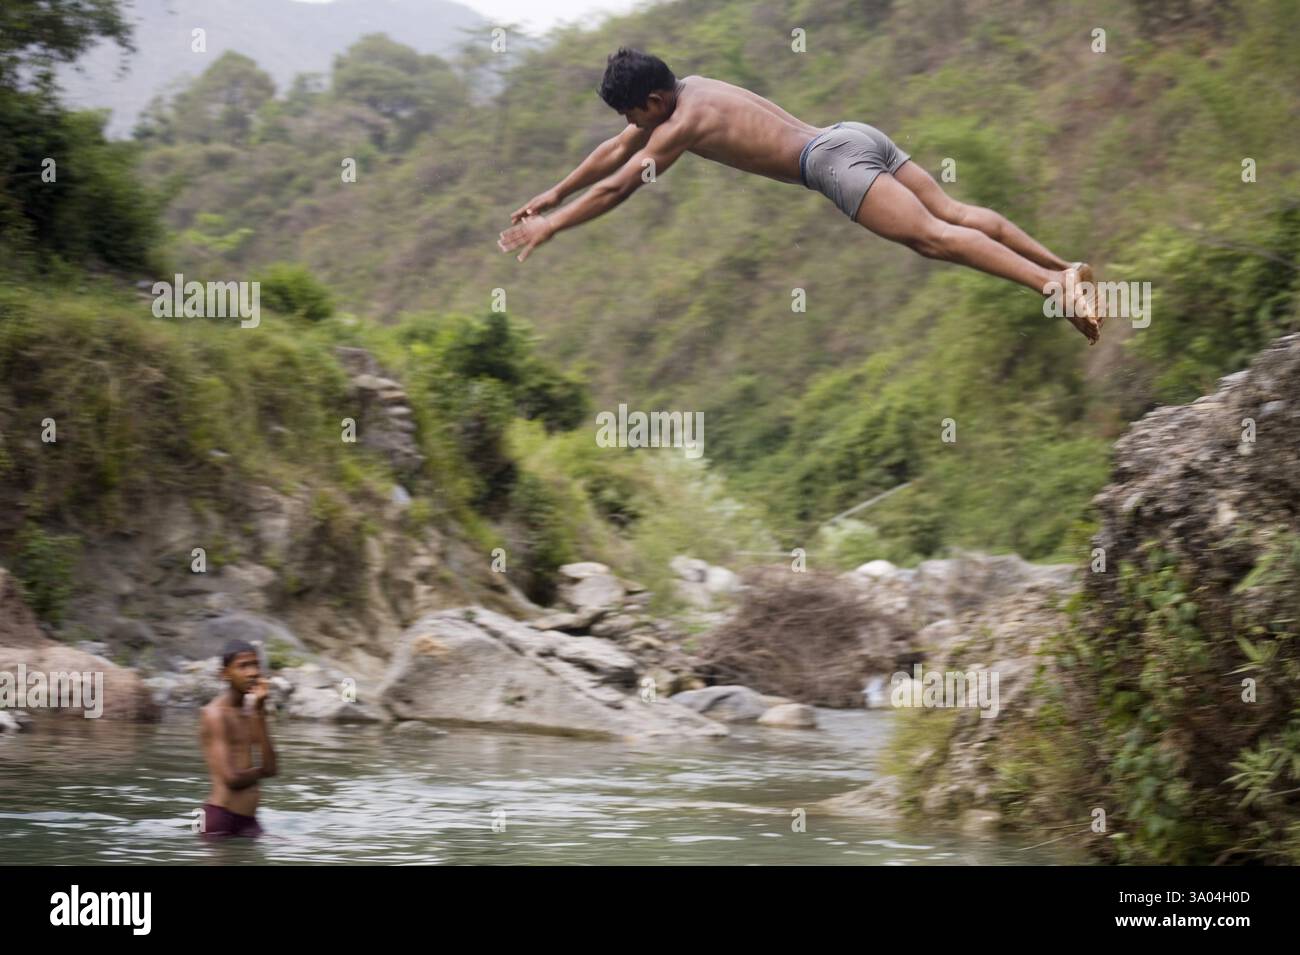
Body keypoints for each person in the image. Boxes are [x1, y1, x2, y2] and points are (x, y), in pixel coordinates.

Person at [499, 47, 1101, 343]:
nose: (636, 126)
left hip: (829, 163)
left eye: (636, 114)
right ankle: (1064, 267)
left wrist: (554, 226)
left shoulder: (682, 125)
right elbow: (613, 151)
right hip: (852, 134)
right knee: (955, 212)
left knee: (935, 238)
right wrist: (552, 194)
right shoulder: (694, 88)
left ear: (653, 103)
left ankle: (1054, 288)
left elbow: (619, 184)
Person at [198, 639, 277, 837]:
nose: (253, 673)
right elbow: (231, 779)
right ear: (224, 674)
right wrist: (261, 771)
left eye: (255, 665)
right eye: (243, 666)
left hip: (248, 821)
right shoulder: (214, 714)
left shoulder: (251, 711)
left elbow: (273, 768)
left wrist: (259, 712)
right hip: (218, 819)